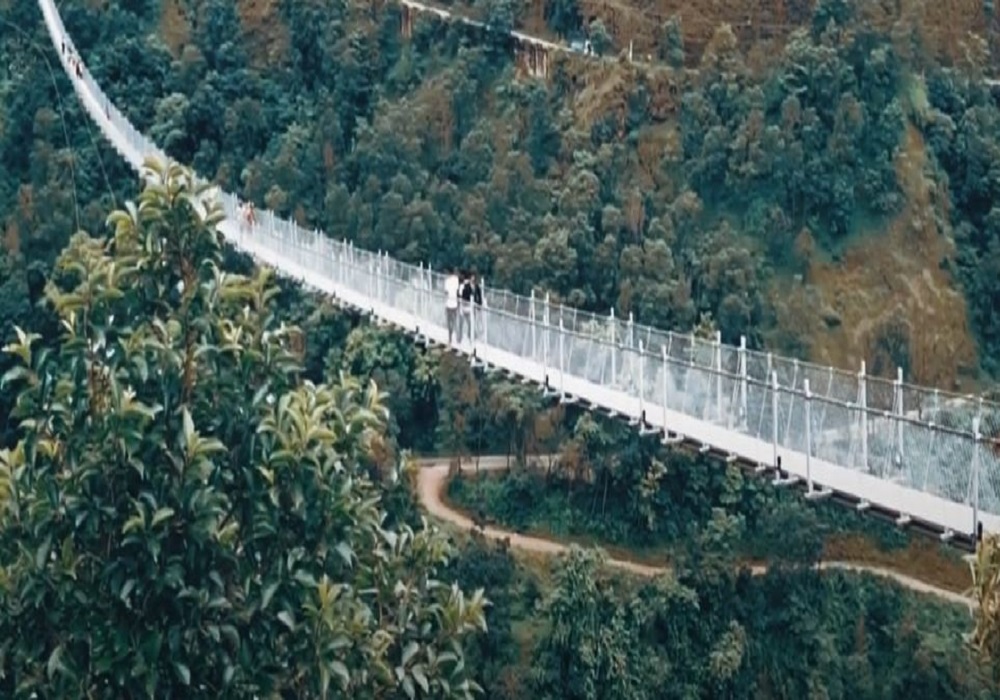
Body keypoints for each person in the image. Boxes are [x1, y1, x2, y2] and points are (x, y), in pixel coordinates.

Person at [444, 268, 460, 344]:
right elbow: (457, 290)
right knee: (455, 321)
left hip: (449, 304)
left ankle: (450, 339)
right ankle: (457, 339)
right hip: (455, 303)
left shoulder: (447, 281)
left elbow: (446, 292)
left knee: (449, 322)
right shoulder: (456, 279)